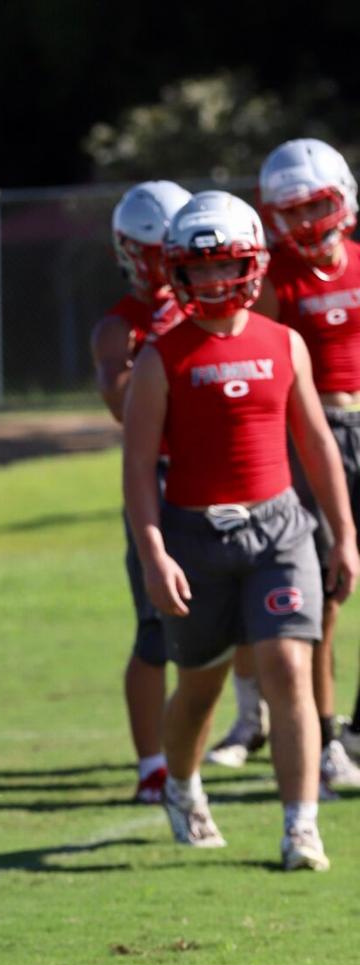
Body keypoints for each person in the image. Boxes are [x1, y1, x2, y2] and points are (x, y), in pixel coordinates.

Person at [123, 190, 358, 870]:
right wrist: (154, 551)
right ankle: (184, 785)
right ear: (178, 272)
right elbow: (138, 469)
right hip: (194, 537)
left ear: (252, 265)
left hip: (280, 531)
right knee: (200, 684)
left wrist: (343, 534)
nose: (216, 282)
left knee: (289, 664)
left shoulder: (285, 343)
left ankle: (300, 826)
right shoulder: (157, 357)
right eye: (201, 270)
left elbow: (317, 448)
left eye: (228, 265)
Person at [207, 141, 360, 794]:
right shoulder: (271, 285)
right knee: (321, 596)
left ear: (343, 197)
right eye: (292, 212)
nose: (307, 223)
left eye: (317, 206)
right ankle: (324, 738)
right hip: (310, 440)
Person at [90, 180, 190, 803]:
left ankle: (240, 727)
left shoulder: (213, 305)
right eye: (150, 250)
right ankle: (152, 763)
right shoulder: (119, 326)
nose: (161, 263)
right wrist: (155, 342)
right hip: (157, 480)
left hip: (218, 474)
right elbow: (124, 408)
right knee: (156, 632)